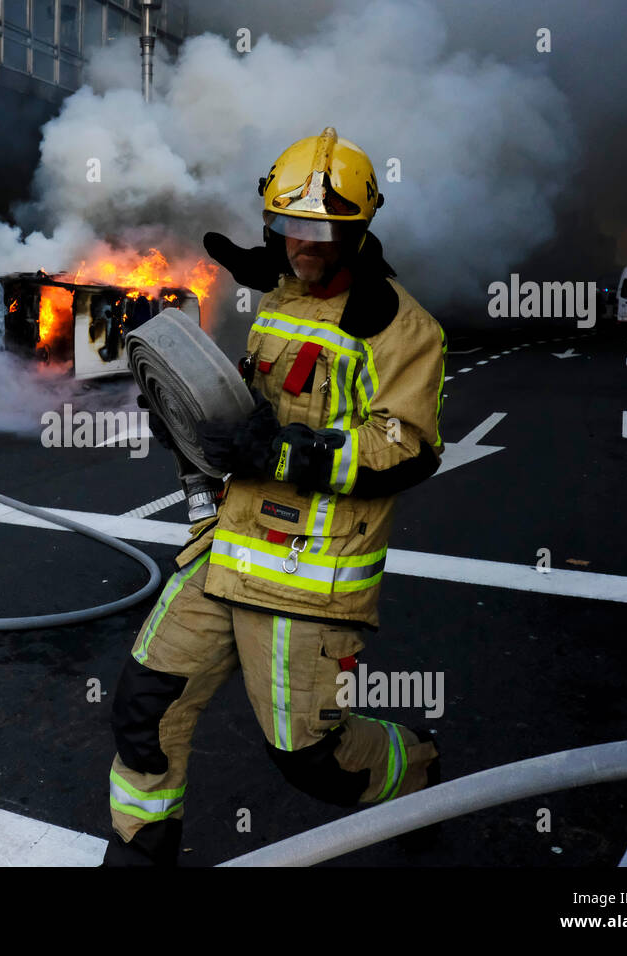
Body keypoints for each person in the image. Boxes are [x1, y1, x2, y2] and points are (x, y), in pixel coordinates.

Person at [102, 127, 447, 866]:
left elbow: (408, 446)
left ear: (359, 230)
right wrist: (188, 419)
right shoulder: (281, 297)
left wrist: (289, 450)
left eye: (325, 235)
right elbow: (250, 402)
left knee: (313, 762)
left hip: (308, 574)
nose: (305, 249)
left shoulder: (396, 327)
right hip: (227, 546)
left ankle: (417, 769)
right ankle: (138, 856)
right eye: (291, 231)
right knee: (143, 707)